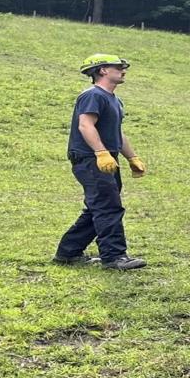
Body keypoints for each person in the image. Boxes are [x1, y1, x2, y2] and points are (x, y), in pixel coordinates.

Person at [54, 54, 148, 269]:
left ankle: (68, 253)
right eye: (118, 67)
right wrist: (100, 153)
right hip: (90, 159)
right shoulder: (93, 95)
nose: (123, 70)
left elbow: (117, 132)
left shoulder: (114, 99)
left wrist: (131, 157)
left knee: (98, 207)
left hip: (105, 158)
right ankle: (114, 257)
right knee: (108, 207)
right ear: (102, 70)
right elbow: (85, 125)